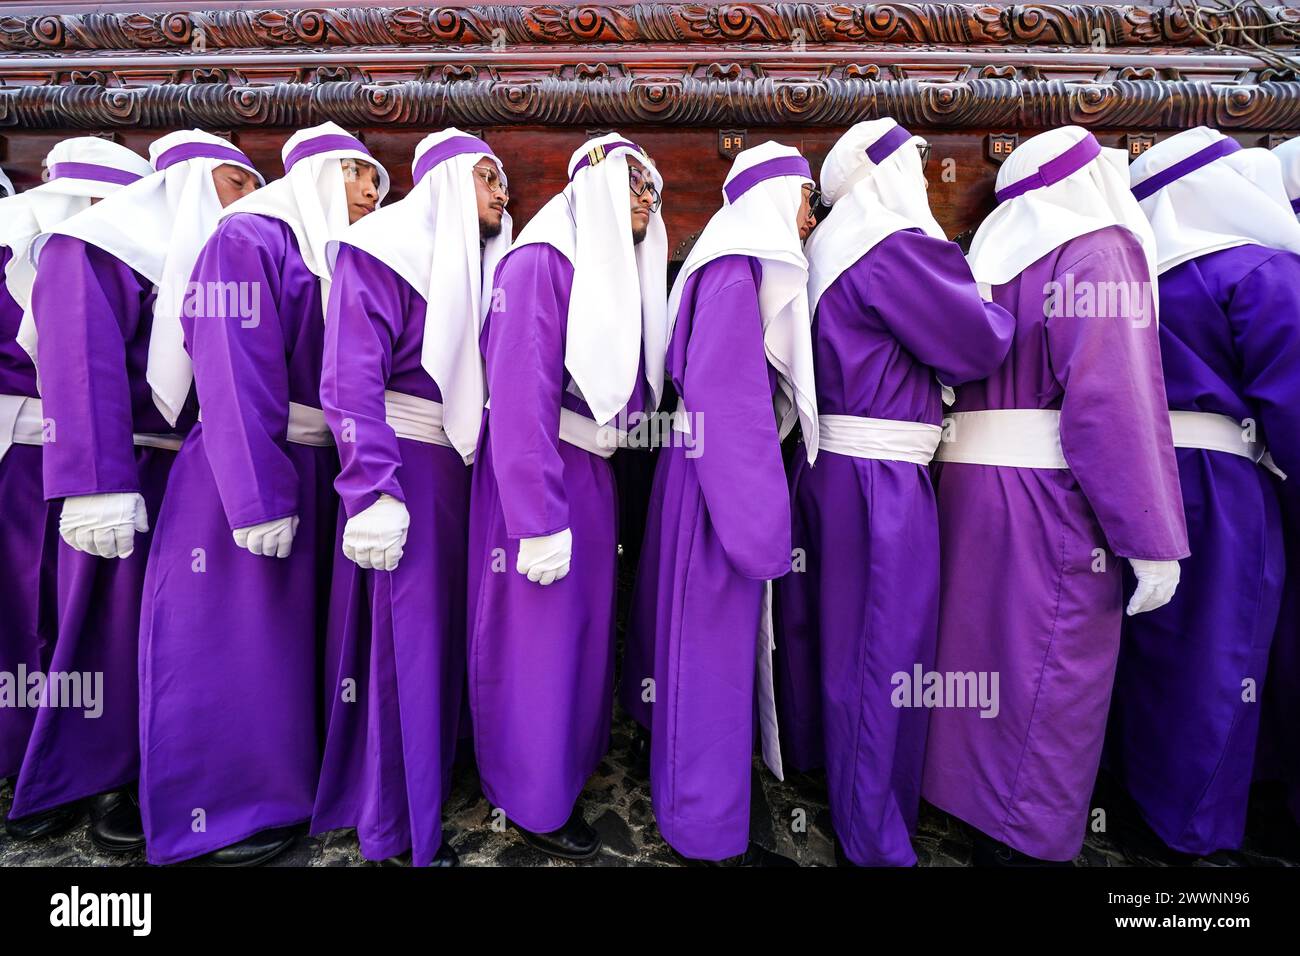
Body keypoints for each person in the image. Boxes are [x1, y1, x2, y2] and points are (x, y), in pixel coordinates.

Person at [921, 126, 1189, 866]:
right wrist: (1151, 538)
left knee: (981, 654)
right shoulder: (1099, 249)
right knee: (1055, 661)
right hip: (1048, 496)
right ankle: (1027, 834)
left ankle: (970, 804)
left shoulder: (989, 255)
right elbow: (1114, 404)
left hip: (970, 487)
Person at [137, 122, 385, 866]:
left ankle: (295, 784)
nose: (374, 190)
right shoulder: (246, 238)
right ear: (313, 175)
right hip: (243, 473)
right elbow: (231, 369)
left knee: (289, 642)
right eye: (358, 173)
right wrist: (257, 496)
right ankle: (226, 806)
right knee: (234, 641)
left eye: (379, 177)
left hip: (312, 464)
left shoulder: (332, 252)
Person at [8, 132, 259, 852]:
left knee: (180, 636)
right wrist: (97, 485)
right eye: (240, 183)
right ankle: (96, 772)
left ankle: (159, 769)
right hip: (132, 470)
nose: (253, 198)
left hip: (190, 468)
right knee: (108, 633)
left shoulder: (204, 254)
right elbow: (80, 366)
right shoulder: (95, 245)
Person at [776, 119, 1015, 867]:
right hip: (881, 480)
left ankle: (839, 789)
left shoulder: (830, 248)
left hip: (831, 468)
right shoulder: (894, 245)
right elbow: (976, 343)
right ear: (889, 175)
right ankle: (873, 833)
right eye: (916, 162)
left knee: (838, 639)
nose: (925, 173)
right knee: (886, 653)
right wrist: (992, 296)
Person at [313, 128, 511, 867]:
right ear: (450, 181)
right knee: (404, 650)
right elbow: (349, 380)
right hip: (406, 475)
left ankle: (441, 775)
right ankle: (395, 822)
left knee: (450, 639)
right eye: (490, 178)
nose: (503, 194)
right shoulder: (382, 249)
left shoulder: (480, 260)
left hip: (463, 474)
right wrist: (371, 491)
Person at [467, 133, 667, 860]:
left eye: (654, 187)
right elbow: (519, 395)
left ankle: (564, 772)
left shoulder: (599, 267)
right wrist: (537, 519)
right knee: (538, 645)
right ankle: (531, 798)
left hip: (588, 474)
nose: (647, 198)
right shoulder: (543, 260)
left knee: (576, 640)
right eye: (633, 183)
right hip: (542, 477)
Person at [1108, 128, 1300, 860]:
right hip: (1223, 485)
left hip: (1140, 471)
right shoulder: (1260, 272)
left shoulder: (1130, 277)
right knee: (1221, 658)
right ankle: (1197, 834)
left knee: (1155, 650)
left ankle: (1144, 811)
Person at [632, 140, 818, 866]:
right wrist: (764, 528)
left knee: (701, 647)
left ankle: (704, 811)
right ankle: (704, 830)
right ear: (774, 195)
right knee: (708, 652)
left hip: (705, 472)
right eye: (807, 198)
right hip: (719, 481)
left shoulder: (728, 263)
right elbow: (728, 401)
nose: (811, 217)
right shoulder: (737, 272)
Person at [1, 139, 154, 834]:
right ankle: (31, 759)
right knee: (24, 614)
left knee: (76, 620)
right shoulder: (52, 251)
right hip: (26, 455)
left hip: (82, 457)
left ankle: (80, 769)